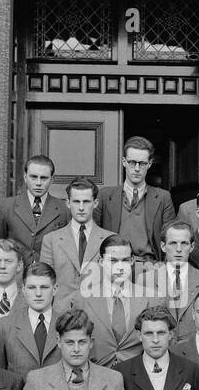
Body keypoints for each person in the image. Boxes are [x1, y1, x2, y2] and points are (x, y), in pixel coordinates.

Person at [68, 235, 148, 368]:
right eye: (113, 261)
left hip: (138, 374)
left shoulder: (148, 297)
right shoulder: (82, 299)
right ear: (100, 261)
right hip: (96, 375)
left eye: (125, 260)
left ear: (133, 260)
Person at [94, 136, 175, 261]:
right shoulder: (105, 196)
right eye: (132, 162)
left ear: (149, 164)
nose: (137, 168)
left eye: (142, 163)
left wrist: (162, 268)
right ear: (124, 162)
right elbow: (93, 235)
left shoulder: (163, 198)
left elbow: (171, 239)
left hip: (150, 266)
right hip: (114, 265)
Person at [39, 177, 113, 302]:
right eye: (76, 201)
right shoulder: (51, 240)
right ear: (68, 203)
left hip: (97, 313)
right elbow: (45, 281)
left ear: (95, 203)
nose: (81, 207)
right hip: (61, 313)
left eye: (86, 201)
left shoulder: (109, 239)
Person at [0, 154, 69, 261]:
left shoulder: (64, 209)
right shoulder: (6, 207)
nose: (38, 183)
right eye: (33, 177)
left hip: (49, 273)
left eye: (44, 178)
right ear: (25, 177)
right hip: (17, 273)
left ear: (52, 179)